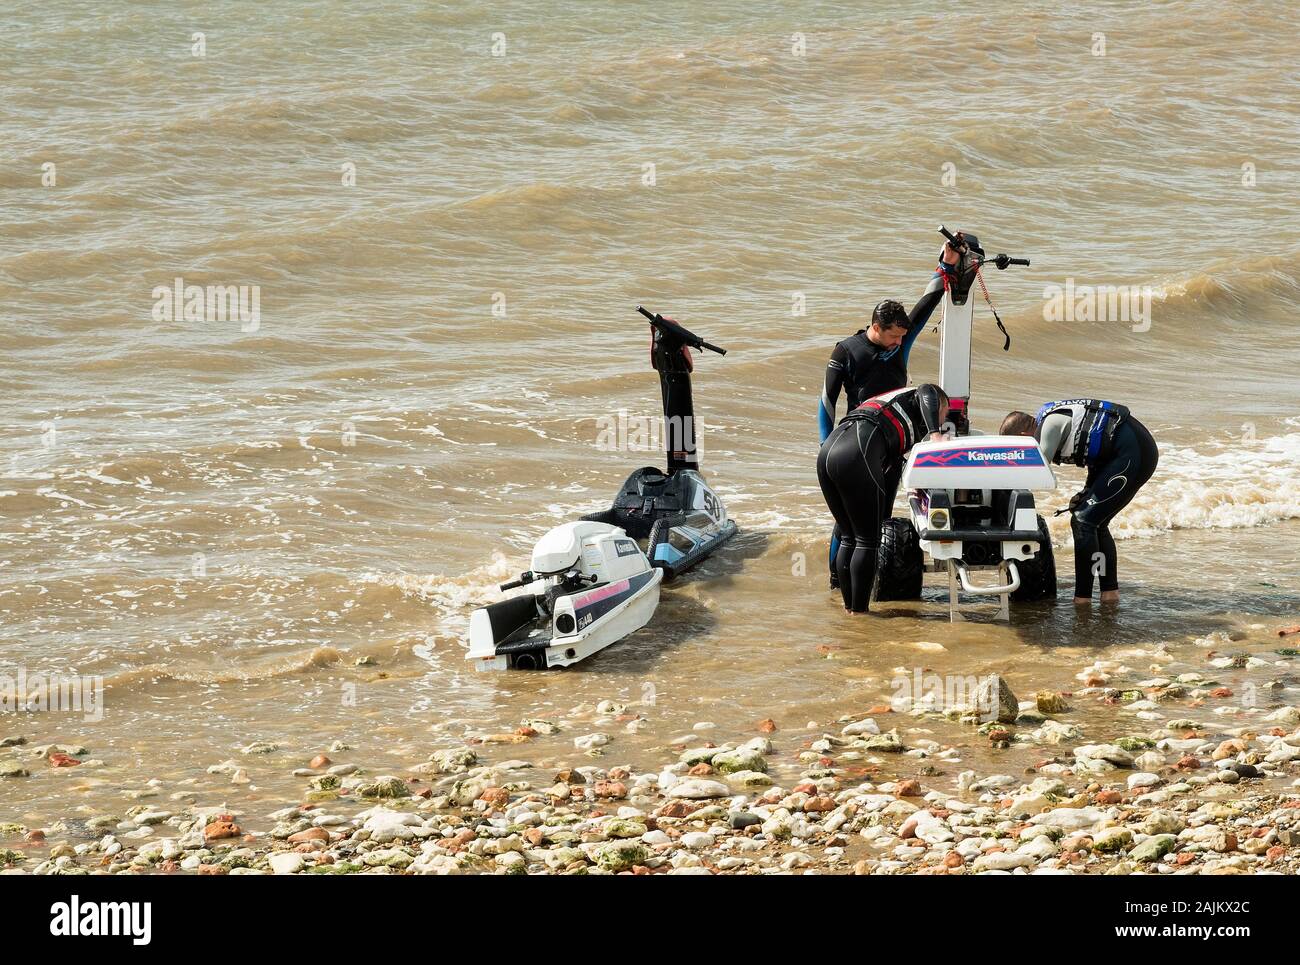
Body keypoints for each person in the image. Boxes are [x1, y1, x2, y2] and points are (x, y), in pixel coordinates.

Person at [818, 240, 961, 588]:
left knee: (878, 517)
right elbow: (826, 402)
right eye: (895, 336)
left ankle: (868, 579)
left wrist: (945, 265)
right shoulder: (846, 352)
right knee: (848, 522)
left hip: (890, 443)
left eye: (903, 336)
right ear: (877, 327)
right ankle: (837, 582)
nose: (901, 342)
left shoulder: (899, 344)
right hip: (855, 441)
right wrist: (826, 444)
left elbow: (926, 304)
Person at [1000, 400, 1159, 605]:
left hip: (1134, 453)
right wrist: (1086, 491)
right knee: (1094, 521)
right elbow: (1098, 454)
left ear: (1023, 436)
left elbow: (1037, 470)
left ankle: (1082, 599)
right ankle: (1109, 594)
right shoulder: (1048, 421)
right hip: (1124, 454)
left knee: (1084, 521)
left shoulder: (1048, 425)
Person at [817, 384, 949, 614]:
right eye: (944, 412)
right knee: (868, 541)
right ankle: (860, 612)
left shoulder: (895, 408)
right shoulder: (922, 393)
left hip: (829, 450)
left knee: (849, 537)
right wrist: (937, 436)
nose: (941, 419)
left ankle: (850, 609)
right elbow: (929, 392)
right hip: (856, 451)